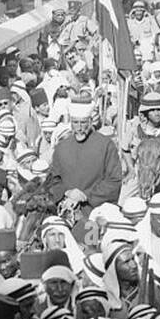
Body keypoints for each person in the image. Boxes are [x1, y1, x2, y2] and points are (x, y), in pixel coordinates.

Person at [47, 99, 123, 239]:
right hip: (66, 213)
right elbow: (53, 180)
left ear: (90, 122)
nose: (80, 128)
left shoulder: (106, 145)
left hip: (95, 215)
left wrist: (85, 195)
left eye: (83, 123)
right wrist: (66, 192)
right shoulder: (61, 147)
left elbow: (114, 181)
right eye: (76, 123)